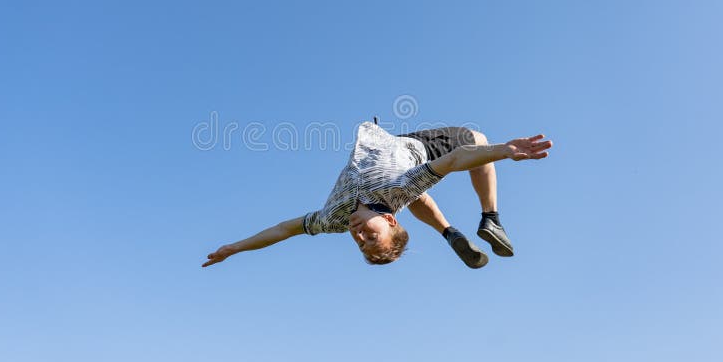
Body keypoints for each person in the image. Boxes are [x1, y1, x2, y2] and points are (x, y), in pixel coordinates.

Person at [201, 121, 552, 268]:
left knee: (418, 194)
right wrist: (503, 150)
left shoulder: (333, 219)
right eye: (370, 237)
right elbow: (457, 158)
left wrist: (235, 247)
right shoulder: (399, 189)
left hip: (394, 148)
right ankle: (490, 217)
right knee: (477, 140)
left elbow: (283, 229)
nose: (358, 235)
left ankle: (449, 232)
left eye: (360, 243)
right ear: (388, 221)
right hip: (420, 151)